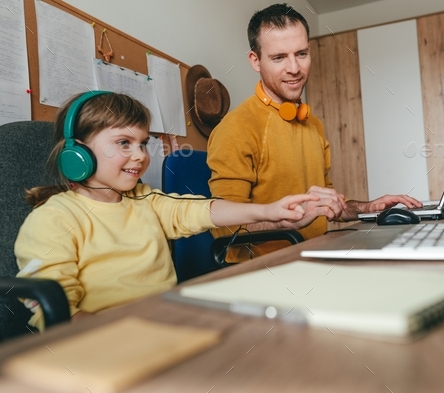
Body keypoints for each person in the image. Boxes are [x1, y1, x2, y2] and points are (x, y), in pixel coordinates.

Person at [14, 91, 317, 330]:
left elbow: (200, 211)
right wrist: (130, 336)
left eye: (143, 143)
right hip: (104, 342)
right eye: (123, 142)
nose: (140, 156)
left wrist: (269, 211)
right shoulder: (53, 219)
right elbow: (55, 310)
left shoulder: (143, 199)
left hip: (164, 323)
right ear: (77, 153)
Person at [207, 3, 422, 261]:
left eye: (301, 53)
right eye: (278, 57)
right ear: (255, 60)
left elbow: (328, 204)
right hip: (265, 270)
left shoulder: (313, 124)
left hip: (315, 255)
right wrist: (293, 217)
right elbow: (224, 229)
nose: (294, 68)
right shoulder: (235, 128)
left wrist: (366, 207)